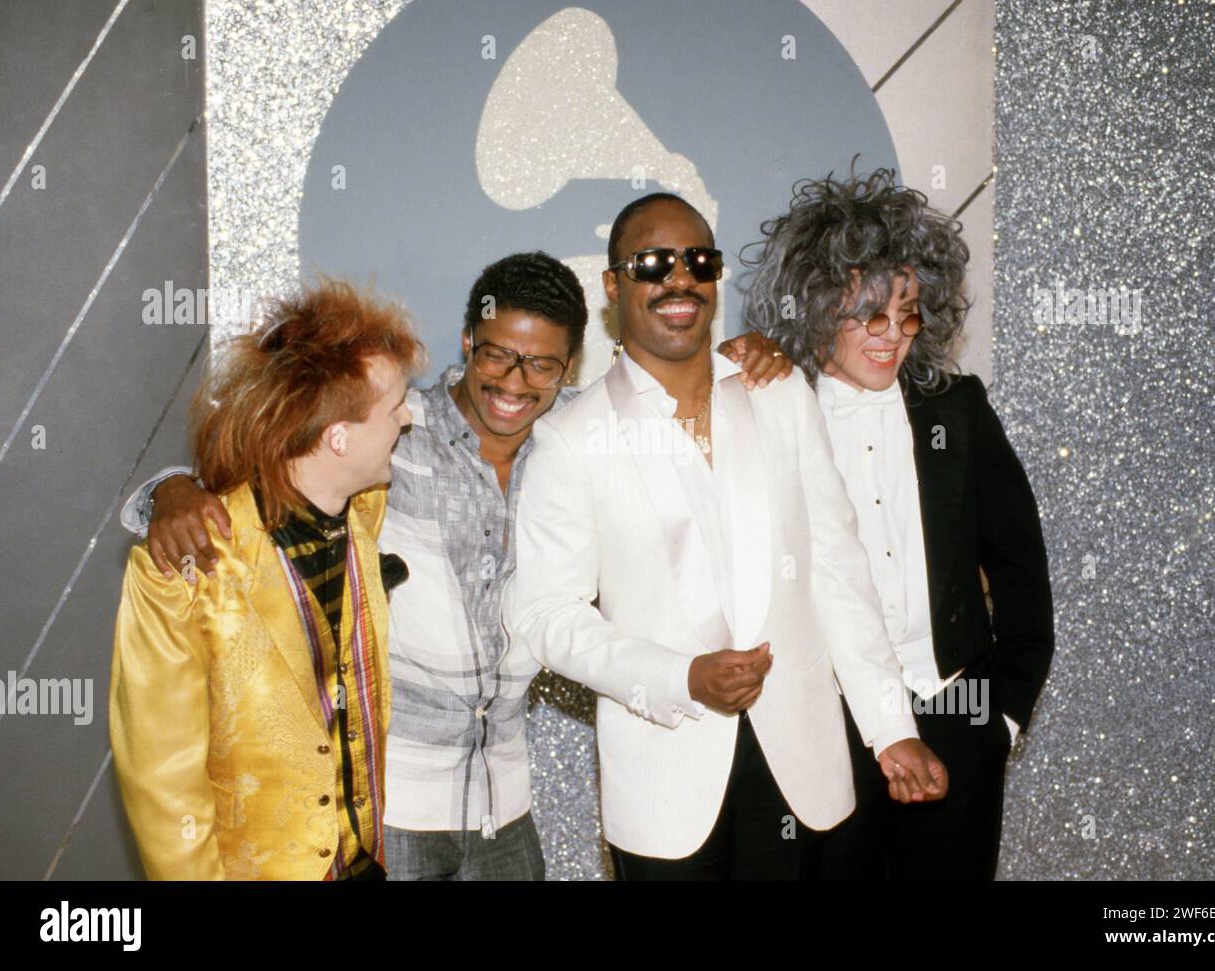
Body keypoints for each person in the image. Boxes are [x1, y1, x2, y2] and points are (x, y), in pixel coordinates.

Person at [121, 252, 791, 880]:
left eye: (543, 367)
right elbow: (272, 471)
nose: (514, 384)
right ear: (468, 342)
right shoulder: (394, 440)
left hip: (507, 801)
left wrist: (741, 357)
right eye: (499, 356)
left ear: (570, 367)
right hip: (396, 808)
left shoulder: (582, 452)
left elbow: (683, 431)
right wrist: (168, 492)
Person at [504, 193, 949, 881]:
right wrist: (680, 677)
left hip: (806, 780)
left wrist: (891, 728)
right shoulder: (571, 439)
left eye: (698, 261)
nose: (678, 280)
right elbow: (545, 616)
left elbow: (837, 572)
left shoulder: (778, 393)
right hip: (665, 794)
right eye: (653, 264)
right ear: (614, 287)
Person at [742, 166, 1055, 879]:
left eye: (908, 313)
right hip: (828, 726)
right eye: (869, 315)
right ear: (817, 309)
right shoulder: (771, 410)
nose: (892, 336)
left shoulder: (959, 410)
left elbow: (1020, 570)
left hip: (959, 714)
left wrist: (1000, 718)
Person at [109, 279, 423, 879]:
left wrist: (172, 484)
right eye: (396, 408)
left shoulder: (362, 510)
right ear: (338, 436)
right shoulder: (184, 567)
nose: (409, 419)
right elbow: (162, 781)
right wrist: (168, 493)